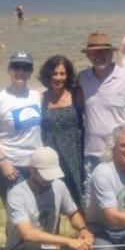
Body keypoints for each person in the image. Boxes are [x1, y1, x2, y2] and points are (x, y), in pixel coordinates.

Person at [76, 33, 125, 209]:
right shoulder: (82, 78)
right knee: (91, 201)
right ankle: (94, 234)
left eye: (104, 51)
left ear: (112, 53)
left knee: (121, 199)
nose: (100, 55)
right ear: (88, 56)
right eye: (95, 52)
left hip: (119, 152)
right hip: (92, 151)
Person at [0, 52, 43, 202]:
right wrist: (3, 163)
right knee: (17, 215)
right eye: (16, 67)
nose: (21, 71)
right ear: (9, 69)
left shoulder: (36, 96)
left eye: (26, 68)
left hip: (35, 164)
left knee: (37, 210)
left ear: (31, 72)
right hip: (12, 166)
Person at [39, 55, 85, 207]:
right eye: (54, 73)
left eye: (62, 73)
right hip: (52, 155)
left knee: (79, 196)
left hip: (74, 154)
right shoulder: (42, 98)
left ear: (68, 75)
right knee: (52, 197)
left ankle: (84, 229)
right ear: (48, 75)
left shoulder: (76, 95)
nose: (58, 78)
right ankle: (53, 230)